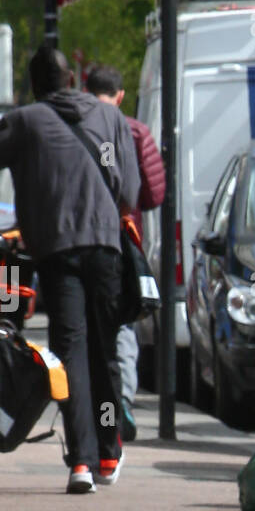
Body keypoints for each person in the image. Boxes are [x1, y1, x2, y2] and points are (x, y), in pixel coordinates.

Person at [0, 44, 140, 492]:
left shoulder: (23, 121)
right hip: (105, 246)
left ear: (35, 86)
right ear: (71, 81)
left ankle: (79, 463)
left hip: (56, 250)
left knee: (70, 351)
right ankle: (108, 450)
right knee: (106, 350)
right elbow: (131, 189)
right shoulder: (111, 118)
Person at [86, 64, 166, 443]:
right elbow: (152, 194)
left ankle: (95, 409)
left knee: (84, 325)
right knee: (122, 324)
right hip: (121, 236)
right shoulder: (134, 130)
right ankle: (123, 403)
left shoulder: (74, 127)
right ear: (119, 95)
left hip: (78, 239)